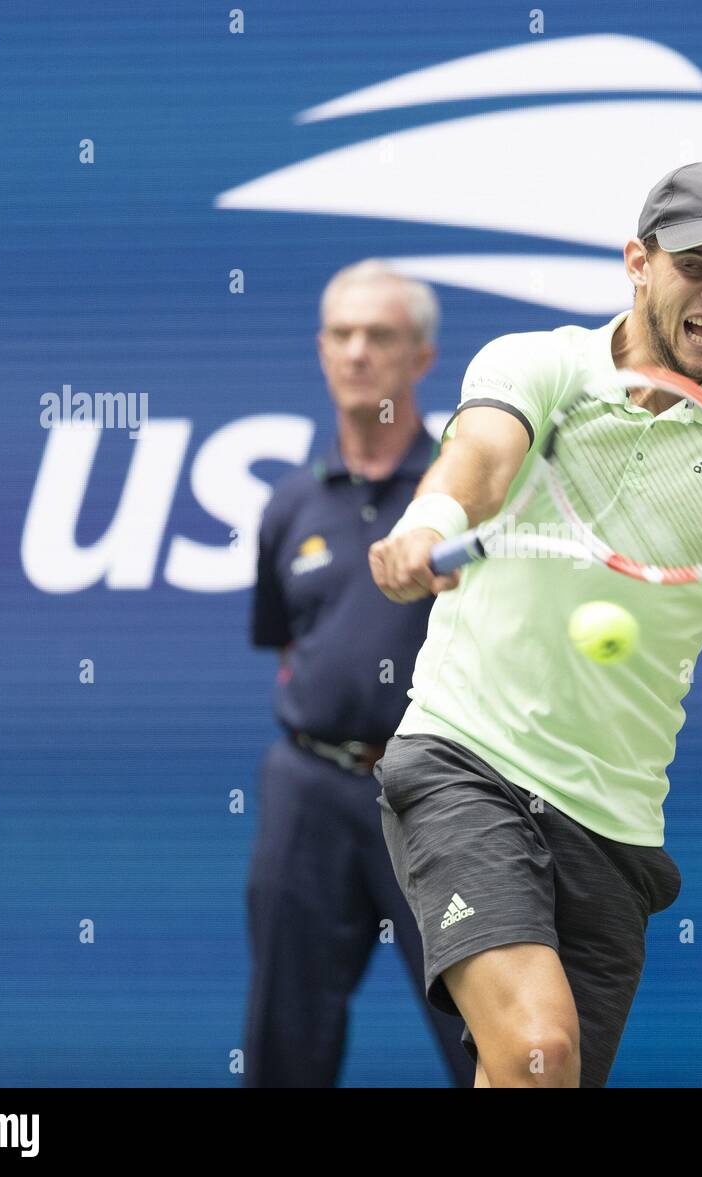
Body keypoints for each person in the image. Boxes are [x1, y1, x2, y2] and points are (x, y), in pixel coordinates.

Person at [368, 162, 702, 1088]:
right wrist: (430, 523)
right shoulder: (538, 363)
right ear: (638, 261)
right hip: (466, 760)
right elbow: (481, 452)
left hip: (615, 826)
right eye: (693, 265)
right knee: (539, 1050)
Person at [243, 260, 474, 1087]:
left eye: (380, 335)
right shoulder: (289, 504)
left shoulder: (461, 493)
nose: (356, 352)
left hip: (441, 793)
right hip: (308, 787)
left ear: (421, 356)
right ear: (320, 349)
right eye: (341, 334)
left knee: (488, 1038)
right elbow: (288, 648)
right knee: (284, 1039)